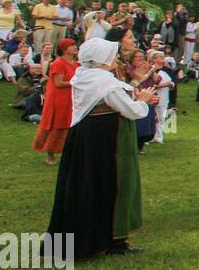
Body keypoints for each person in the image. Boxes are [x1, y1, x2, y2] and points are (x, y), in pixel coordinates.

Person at [47, 37, 156, 258]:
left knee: (88, 185)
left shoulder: (84, 75)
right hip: (108, 139)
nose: (115, 58)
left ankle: (95, 238)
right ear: (102, 59)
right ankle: (114, 241)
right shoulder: (103, 82)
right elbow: (130, 110)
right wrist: (143, 101)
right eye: (112, 55)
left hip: (87, 137)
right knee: (113, 186)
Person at [31, 37, 78, 165]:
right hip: (58, 98)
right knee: (56, 123)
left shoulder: (76, 64)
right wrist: (75, 82)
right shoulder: (58, 63)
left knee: (70, 124)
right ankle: (50, 155)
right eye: (71, 45)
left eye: (75, 45)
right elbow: (59, 83)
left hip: (72, 98)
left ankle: (68, 154)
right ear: (64, 49)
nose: (75, 47)